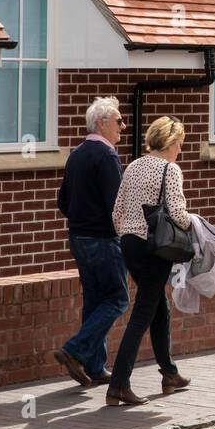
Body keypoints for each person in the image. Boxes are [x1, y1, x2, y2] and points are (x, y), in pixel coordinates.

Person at [106, 116, 194, 406]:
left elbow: (117, 212)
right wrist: (195, 222)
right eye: (179, 143)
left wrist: (130, 232)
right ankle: (118, 385)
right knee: (143, 312)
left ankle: (169, 372)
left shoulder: (133, 166)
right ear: (170, 142)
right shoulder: (170, 170)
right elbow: (178, 215)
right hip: (156, 247)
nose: (181, 149)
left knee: (159, 306)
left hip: (129, 244)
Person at [53, 97, 129, 387]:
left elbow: (63, 201)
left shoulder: (77, 154)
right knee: (118, 299)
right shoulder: (107, 156)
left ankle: (96, 367)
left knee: (95, 300)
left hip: (78, 238)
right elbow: (117, 206)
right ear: (102, 122)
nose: (123, 126)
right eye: (118, 121)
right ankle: (74, 350)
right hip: (103, 240)